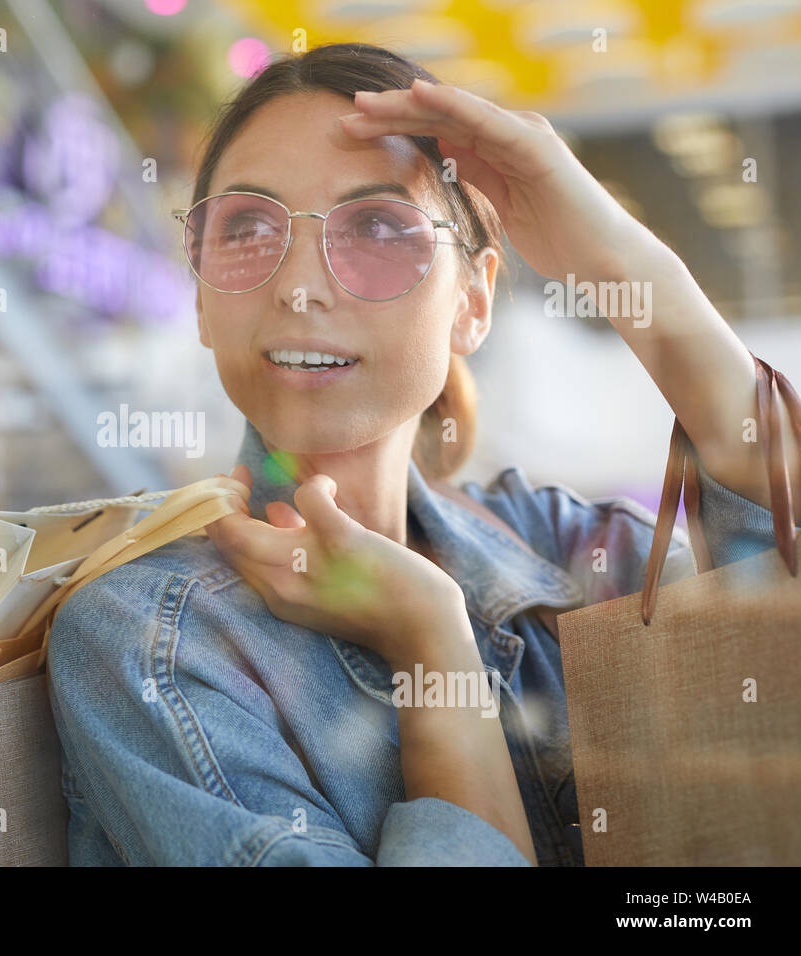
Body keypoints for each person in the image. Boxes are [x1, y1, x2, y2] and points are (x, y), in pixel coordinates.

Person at [45, 42, 793, 866]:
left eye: (375, 226)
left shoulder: (560, 550)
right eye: (249, 226)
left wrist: (620, 259)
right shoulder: (153, 637)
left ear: (473, 302)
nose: (300, 284)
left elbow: (774, 667)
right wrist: (433, 647)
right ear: (199, 297)